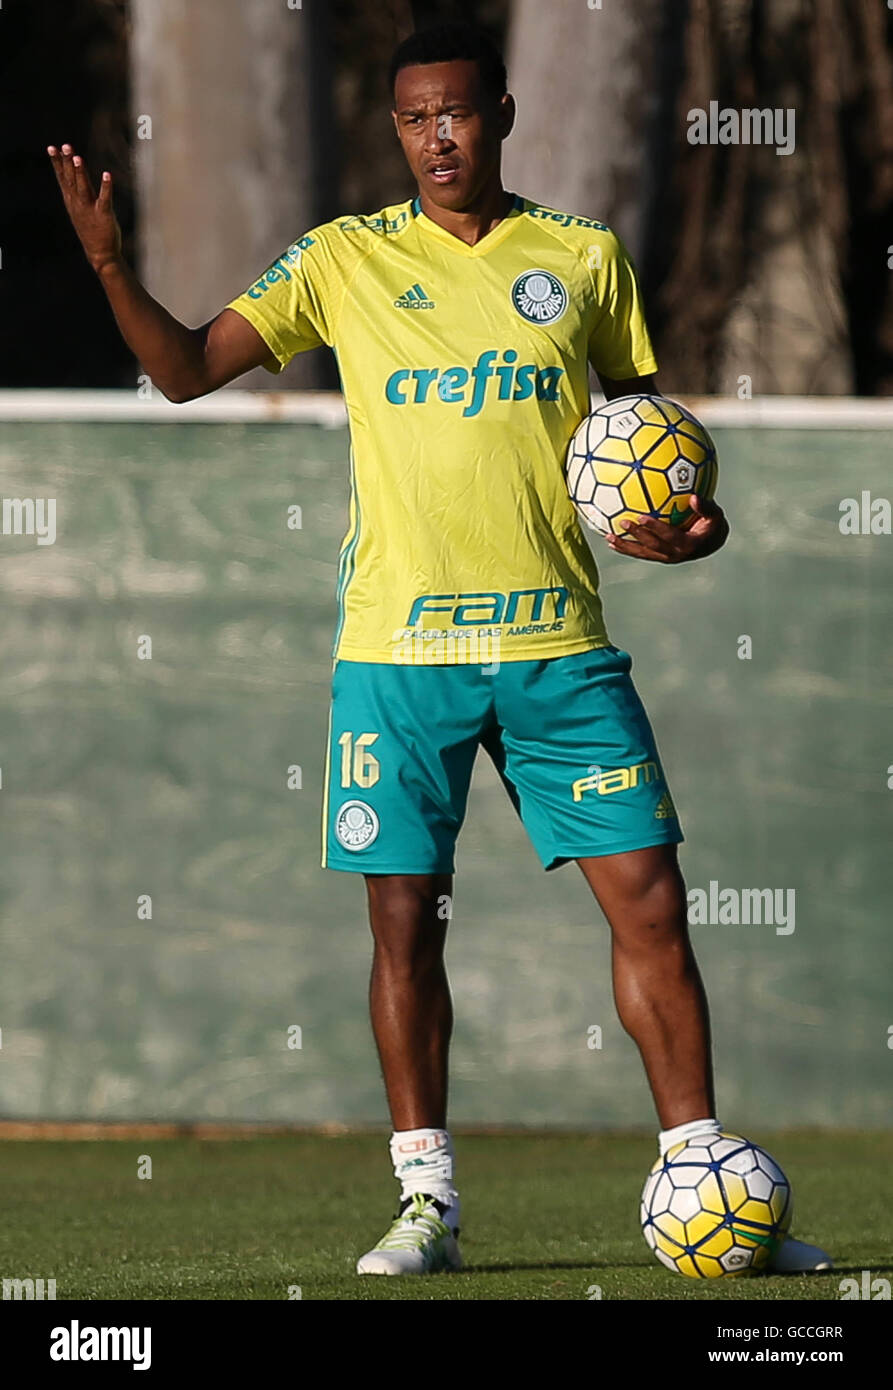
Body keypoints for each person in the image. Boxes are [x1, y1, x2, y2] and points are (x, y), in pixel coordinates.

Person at [49, 20, 829, 1279]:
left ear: (503, 115)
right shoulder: (342, 260)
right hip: (397, 654)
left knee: (652, 906)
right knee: (406, 923)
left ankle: (705, 1174)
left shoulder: (580, 259)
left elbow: (654, 457)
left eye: (457, 113)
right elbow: (186, 370)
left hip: (557, 648)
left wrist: (689, 530)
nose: (437, 137)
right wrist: (106, 264)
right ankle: (428, 1204)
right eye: (414, 118)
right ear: (397, 129)